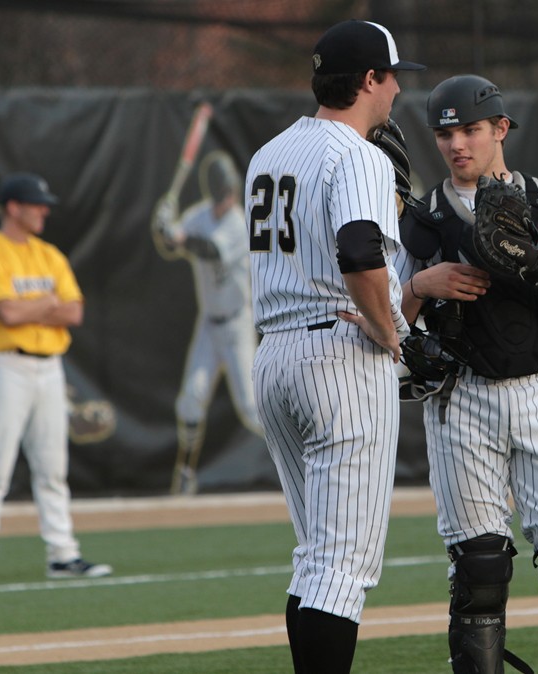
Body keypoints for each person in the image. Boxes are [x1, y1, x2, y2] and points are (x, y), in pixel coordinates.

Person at [395, 74, 538, 674]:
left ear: (500, 128)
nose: (456, 144)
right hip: (461, 396)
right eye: (444, 134)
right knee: (480, 569)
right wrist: (422, 284)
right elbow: (389, 321)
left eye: (469, 130)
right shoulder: (424, 220)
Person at [243, 20, 422, 674]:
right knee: (342, 566)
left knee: (317, 557)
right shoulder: (359, 155)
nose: (398, 88)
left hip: (276, 354)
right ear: (369, 79)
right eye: (393, 76)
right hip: (338, 356)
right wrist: (389, 330)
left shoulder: (269, 153)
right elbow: (358, 249)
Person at [0, 172, 112, 584]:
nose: (44, 211)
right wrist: (46, 304)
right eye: (36, 204)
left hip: (48, 366)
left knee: (52, 467)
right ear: (13, 207)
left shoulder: (49, 255)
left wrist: (31, 306)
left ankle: (62, 554)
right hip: (5, 365)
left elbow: (74, 312)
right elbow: (6, 314)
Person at [154, 152, 263, 495]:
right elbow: (171, 245)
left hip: (237, 324)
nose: (228, 199)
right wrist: (163, 228)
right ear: (214, 192)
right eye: (223, 193)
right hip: (209, 325)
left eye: (230, 192)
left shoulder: (238, 223)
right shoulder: (199, 215)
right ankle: (186, 471)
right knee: (191, 397)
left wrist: (178, 238)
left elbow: (209, 251)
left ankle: (301, 457)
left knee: (250, 408)